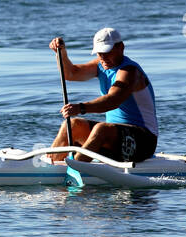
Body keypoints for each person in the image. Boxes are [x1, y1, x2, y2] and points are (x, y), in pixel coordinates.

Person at [49, 27, 158, 163]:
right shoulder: (101, 65)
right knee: (71, 124)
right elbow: (71, 73)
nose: (103, 57)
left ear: (121, 48)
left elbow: (112, 100)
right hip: (116, 139)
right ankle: (49, 166)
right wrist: (62, 54)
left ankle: (75, 168)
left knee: (102, 129)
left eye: (106, 52)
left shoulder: (129, 71)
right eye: (99, 53)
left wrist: (81, 107)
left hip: (144, 141)